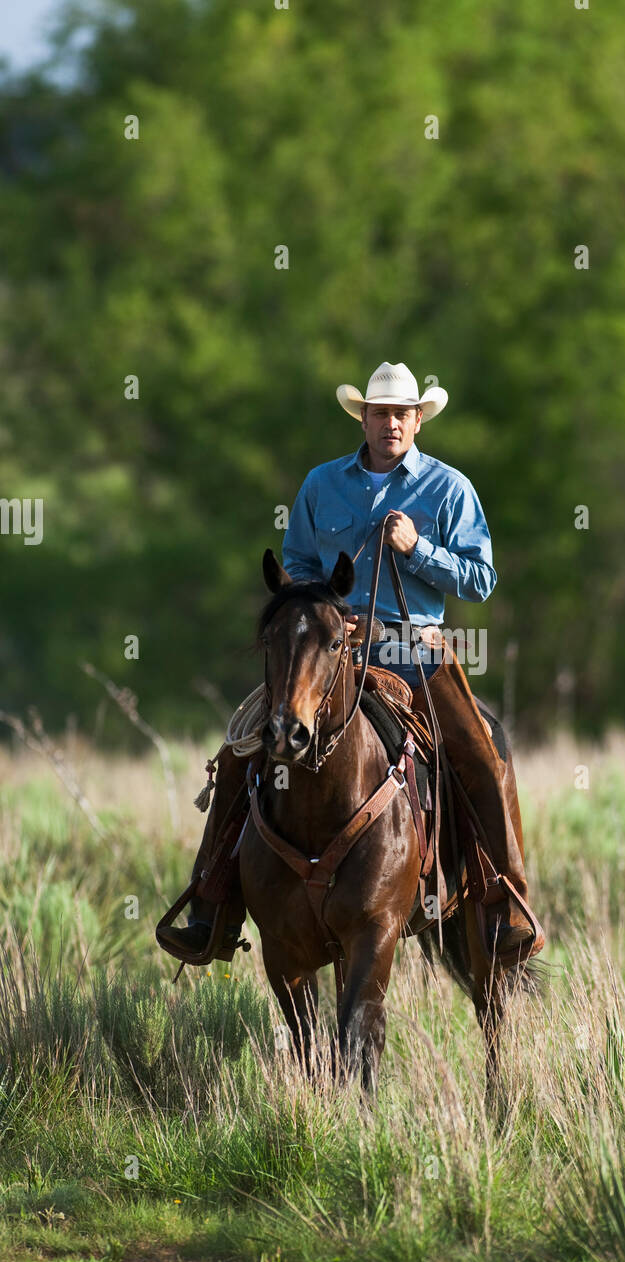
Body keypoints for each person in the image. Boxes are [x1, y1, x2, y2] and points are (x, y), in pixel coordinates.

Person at [159, 362, 543, 964]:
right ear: (361, 418)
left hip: (414, 648)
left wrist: (419, 550)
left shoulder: (448, 488)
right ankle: (209, 902)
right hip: (329, 651)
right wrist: (322, 617)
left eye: (401, 414)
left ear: (418, 421)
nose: (390, 423)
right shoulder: (321, 485)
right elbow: (297, 569)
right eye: (379, 413)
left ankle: (504, 905)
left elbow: (481, 579)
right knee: (244, 749)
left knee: (481, 752)